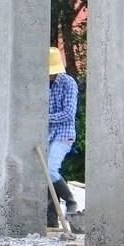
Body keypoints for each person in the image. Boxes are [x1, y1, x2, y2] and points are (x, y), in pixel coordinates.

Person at [46, 46, 79, 227]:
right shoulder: (41, 84)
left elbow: (68, 113)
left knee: (50, 169)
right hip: (47, 134)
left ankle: (71, 201)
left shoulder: (68, 83)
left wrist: (44, 118)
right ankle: (51, 218)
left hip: (64, 134)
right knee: (45, 174)